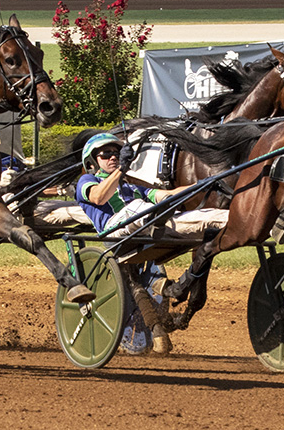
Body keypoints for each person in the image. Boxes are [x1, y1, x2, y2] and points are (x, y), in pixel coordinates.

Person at [75, 132, 196, 355]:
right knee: (140, 207)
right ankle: (155, 217)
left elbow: (166, 194)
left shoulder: (130, 187)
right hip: (116, 234)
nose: (113, 157)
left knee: (170, 209)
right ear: (92, 162)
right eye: (106, 154)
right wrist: (122, 169)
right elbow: (98, 197)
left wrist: (201, 185)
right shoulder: (88, 181)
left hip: (139, 229)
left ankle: (164, 294)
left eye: (117, 153)